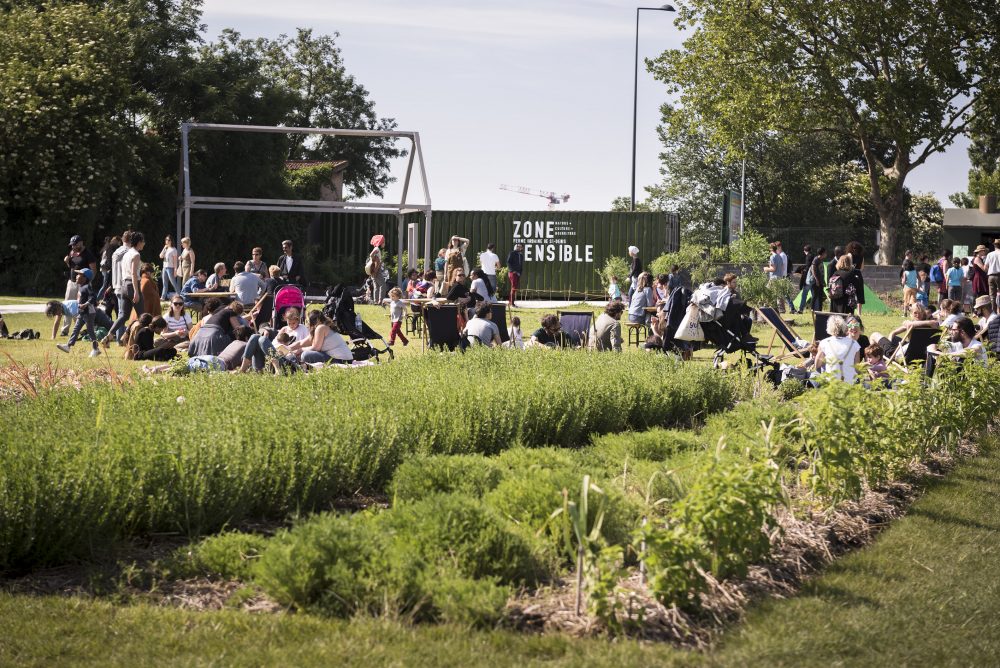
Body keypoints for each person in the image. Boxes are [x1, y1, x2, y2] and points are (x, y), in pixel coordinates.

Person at [238, 307, 309, 372]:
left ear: (298, 320)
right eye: (289, 323)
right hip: (272, 358)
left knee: (262, 339)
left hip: (287, 359)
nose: (291, 325)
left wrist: (295, 351)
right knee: (255, 336)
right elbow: (274, 344)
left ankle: (278, 370)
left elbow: (306, 344)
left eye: (294, 323)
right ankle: (242, 369)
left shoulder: (303, 328)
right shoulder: (284, 329)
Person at [107, 231, 145, 345]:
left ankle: (109, 335)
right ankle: (142, 341)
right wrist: (137, 292)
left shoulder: (126, 254)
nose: (144, 244)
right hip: (133, 285)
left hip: (123, 285)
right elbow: (134, 274)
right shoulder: (136, 254)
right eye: (143, 241)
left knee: (123, 316)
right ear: (139, 242)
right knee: (142, 316)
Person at [55, 269, 102, 357]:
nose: (76, 276)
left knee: (90, 331)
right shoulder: (81, 286)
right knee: (76, 329)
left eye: (79, 274)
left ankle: (96, 349)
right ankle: (68, 346)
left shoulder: (87, 286)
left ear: (85, 278)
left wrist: (85, 304)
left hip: (89, 313)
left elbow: (93, 297)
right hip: (82, 313)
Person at [289, 310, 353, 366]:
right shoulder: (320, 328)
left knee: (305, 355)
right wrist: (287, 348)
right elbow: (301, 343)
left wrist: (301, 350)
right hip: (341, 359)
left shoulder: (321, 328)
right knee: (304, 354)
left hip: (342, 360)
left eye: (307, 321)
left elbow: (316, 348)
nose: (307, 324)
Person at [814, 315, 861, 383]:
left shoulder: (824, 343)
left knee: (813, 374)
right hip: (850, 382)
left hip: (831, 383)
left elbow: (817, 365)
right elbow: (857, 368)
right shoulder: (855, 344)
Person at [46, 299, 110, 339]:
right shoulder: (61, 308)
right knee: (100, 330)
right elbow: (56, 323)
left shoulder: (69, 307)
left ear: (58, 307)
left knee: (109, 326)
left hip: (95, 313)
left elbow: (78, 321)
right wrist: (53, 336)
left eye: (55, 312)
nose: (55, 315)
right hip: (89, 314)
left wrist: (76, 334)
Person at [63, 235, 98, 301]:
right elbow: (71, 267)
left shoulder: (88, 254)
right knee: (68, 303)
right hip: (72, 282)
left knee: (81, 303)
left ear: (81, 243)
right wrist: (67, 262)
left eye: (75, 245)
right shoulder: (72, 252)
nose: (73, 247)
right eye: (72, 245)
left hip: (82, 284)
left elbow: (94, 271)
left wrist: (87, 283)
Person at [764, 241, 791, 312]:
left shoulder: (772, 257)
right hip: (779, 277)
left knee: (767, 291)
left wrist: (766, 269)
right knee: (779, 293)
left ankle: (766, 307)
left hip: (773, 278)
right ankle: (781, 309)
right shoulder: (779, 256)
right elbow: (782, 267)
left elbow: (773, 269)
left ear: (770, 249)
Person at [96, 236, 120, 301]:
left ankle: (103, 299)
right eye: (118, 242)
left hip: (104, 267)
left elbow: (101, 253)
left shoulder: (108, 246)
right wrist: (110, 267)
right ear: (115, 240)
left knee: (106, 285)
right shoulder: (110, 247)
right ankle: (97, 300)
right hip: (106, 268)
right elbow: (109, 258)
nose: (118, 244)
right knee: (105, 285)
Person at [366, 235, 388, 304]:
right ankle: (380, 301)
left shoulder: (376, 248)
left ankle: (376, 301)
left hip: (373, 270)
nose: (384, 244)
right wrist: (374, 260)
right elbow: (371, 254)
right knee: (383, 285)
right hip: (376, 269)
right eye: (384, 242)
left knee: (376, 286)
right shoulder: (377, 249)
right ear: (381, 242)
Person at [808, 247, 827, 311]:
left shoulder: (821, 259)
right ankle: (812, 309)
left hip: (820, 281)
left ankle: (820, 310)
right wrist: (816, 280)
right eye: (825, 252)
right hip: (816, 281)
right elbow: (813, 270)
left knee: (820, 296)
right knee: (815, 295)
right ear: (822, 253)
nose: (826, 254)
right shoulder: (816, 259)